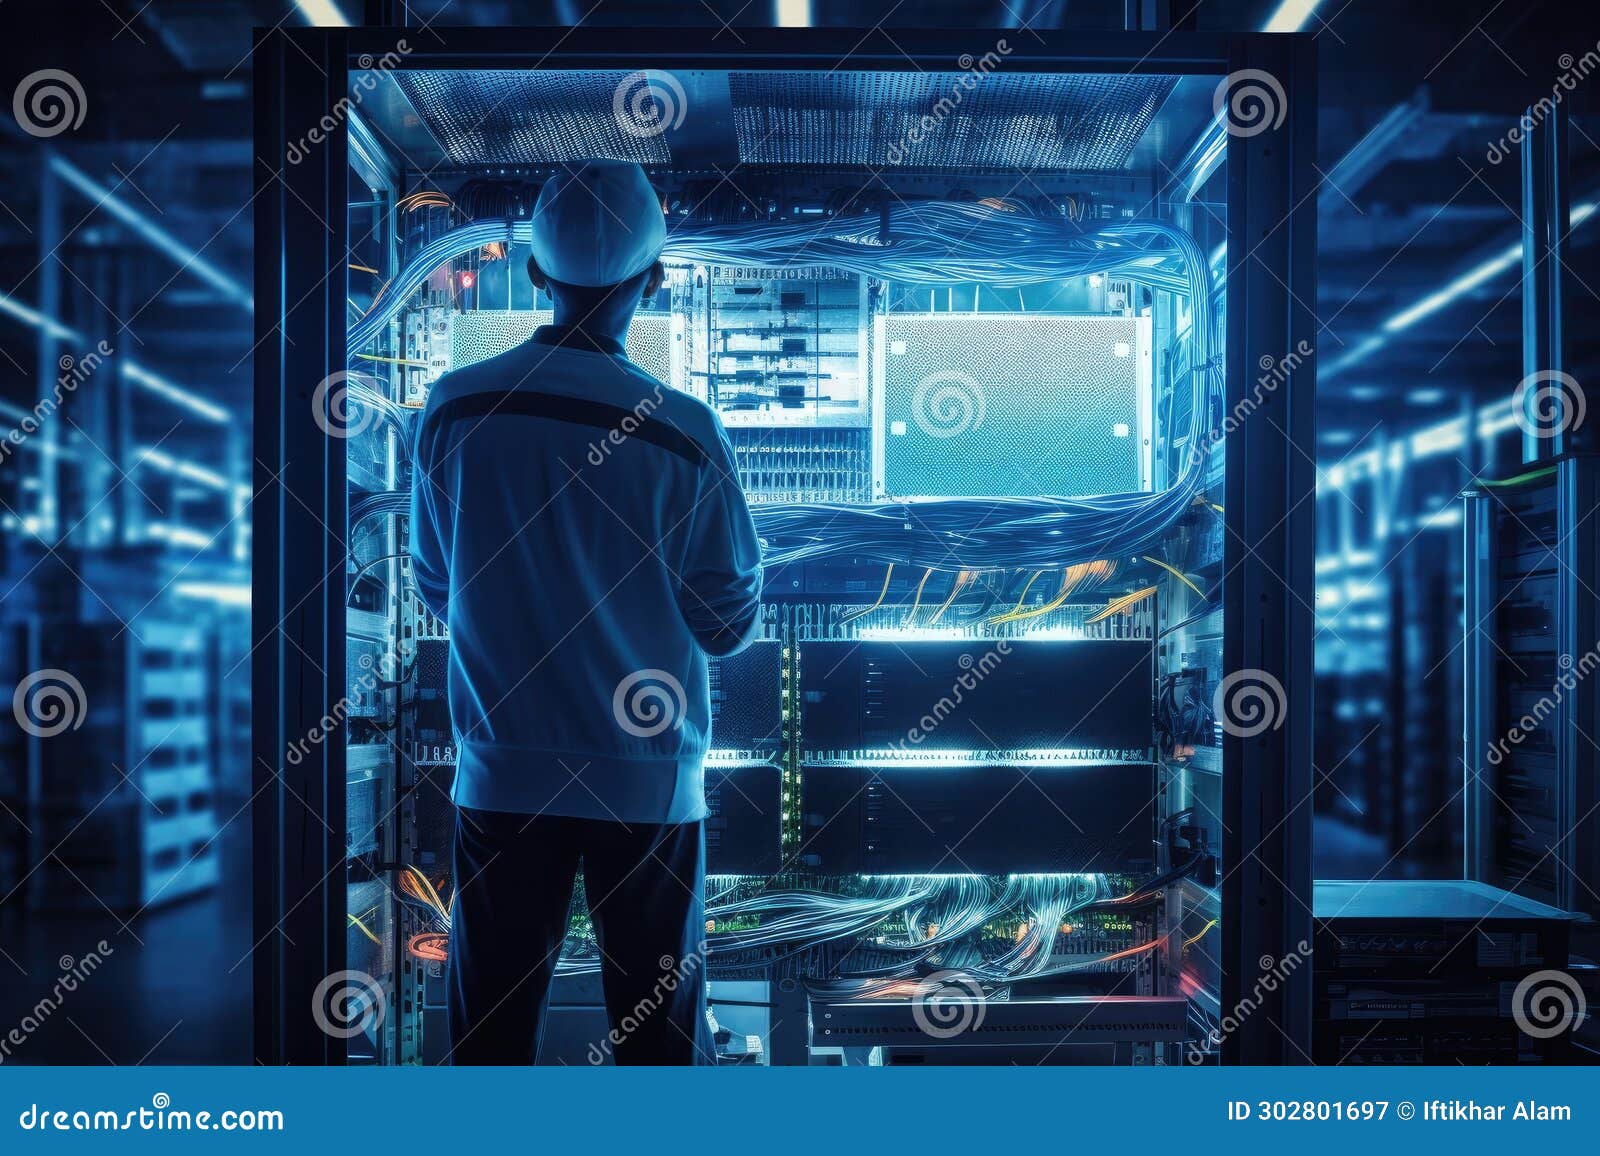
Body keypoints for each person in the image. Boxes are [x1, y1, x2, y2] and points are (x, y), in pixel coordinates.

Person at [408, 159, 763, 1065]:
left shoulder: (455, 410)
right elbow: (726, 623)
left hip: (503, 776)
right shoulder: (685, 432)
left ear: (534, 271)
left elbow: (439, 592)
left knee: (490, 1039)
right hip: (644, 787)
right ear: (653, 280)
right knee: (657, 1051)